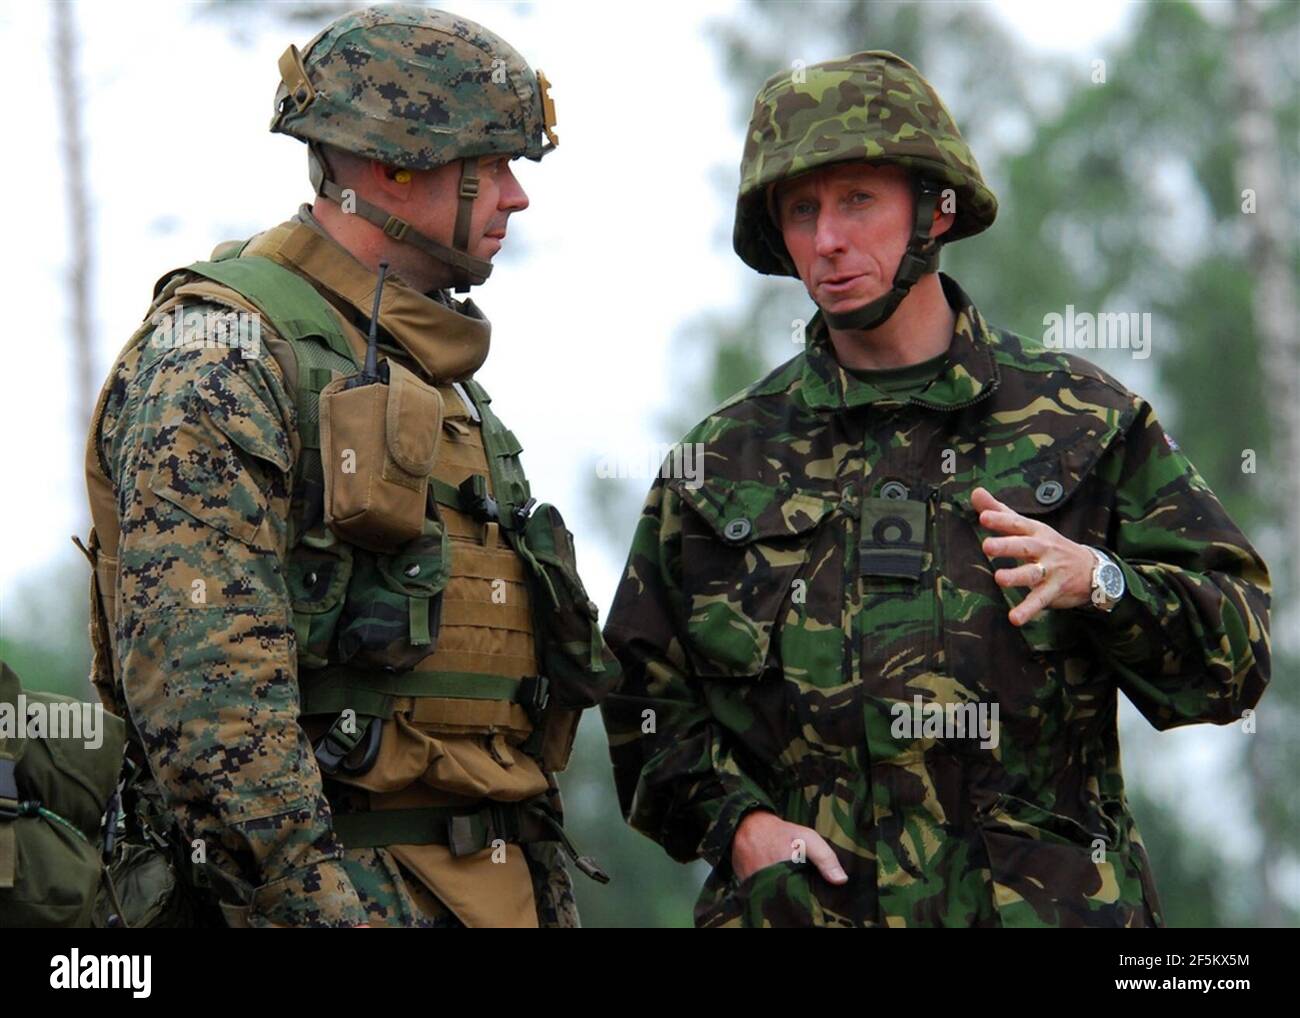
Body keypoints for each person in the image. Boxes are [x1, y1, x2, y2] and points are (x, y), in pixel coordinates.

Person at [600, 51, 1271, 928]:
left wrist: (1104, 583)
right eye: (801, 211)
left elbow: (1237, 658)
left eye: (857, 201)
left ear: (936, 208)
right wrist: (742, 828)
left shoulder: (1084, 424)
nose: (828, 239)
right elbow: (639, 706)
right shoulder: (720, 464)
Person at [82, 4, 617, 928]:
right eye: (486, 166)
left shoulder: (428, 375)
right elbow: (209, 704)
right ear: (391, 165)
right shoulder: (225, 351)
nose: (515, 197)